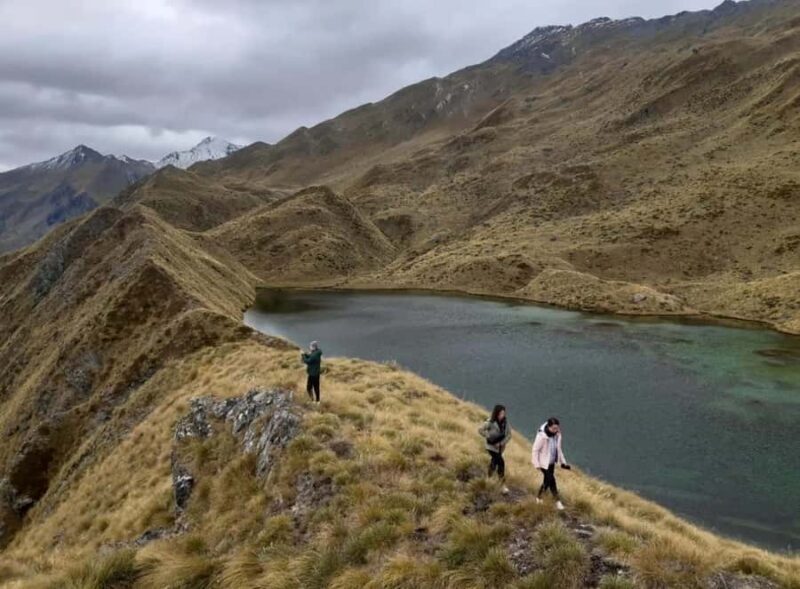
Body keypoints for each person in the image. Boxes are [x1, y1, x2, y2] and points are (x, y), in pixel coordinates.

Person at [531, 417, 571, 511]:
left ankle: (539, 497)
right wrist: (536, 464)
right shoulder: (542, 436)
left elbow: (559, 450)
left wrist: (563, 463)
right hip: (543, 463)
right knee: (552, 480)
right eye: (553, 428)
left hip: (552, 462)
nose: (555, 430)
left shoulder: (557, 435)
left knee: (547, 481)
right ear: (548, 427)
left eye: (557, 428)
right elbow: (535, 450)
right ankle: (557, 501)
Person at [478, 404, 512, 494]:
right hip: (491, 447)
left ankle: (488, 478)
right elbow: (480, 430)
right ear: (496, 413)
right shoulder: (490, 422)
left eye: (504, 413)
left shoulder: (506, 422)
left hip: (500, 447)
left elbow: (509, 435)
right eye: (501, 413)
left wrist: (501, 443)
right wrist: (488, 436)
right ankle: (502, 485)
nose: (503, 415)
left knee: (494, 462)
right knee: (501, 463)